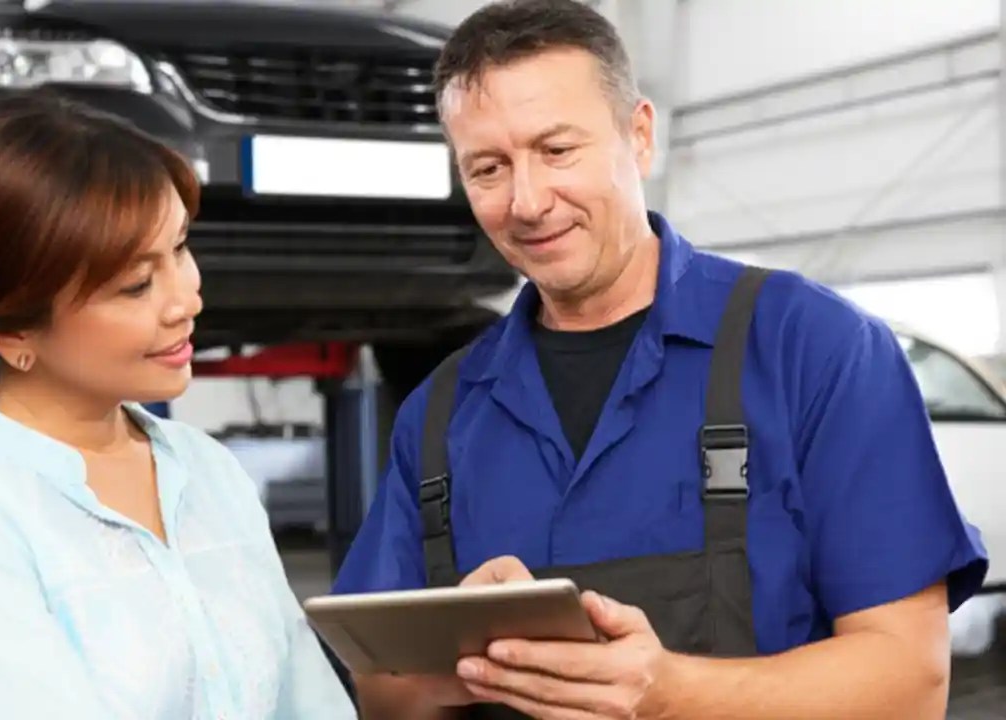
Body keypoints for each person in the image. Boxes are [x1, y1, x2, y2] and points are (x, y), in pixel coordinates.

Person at [332, 1, 989, 718]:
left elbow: (909, 680)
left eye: (558, 151)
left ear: (639, 136)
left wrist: (670, 692)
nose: (527, 201)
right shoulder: (440, 412)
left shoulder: (812, 348)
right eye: (488, 167)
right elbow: (378, 689)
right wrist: (463, 662)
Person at [0, 92, 356, 720]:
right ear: (13, 335)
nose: (186, 300)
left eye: (181, 248)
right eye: (138, 284)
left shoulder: (210, 472)